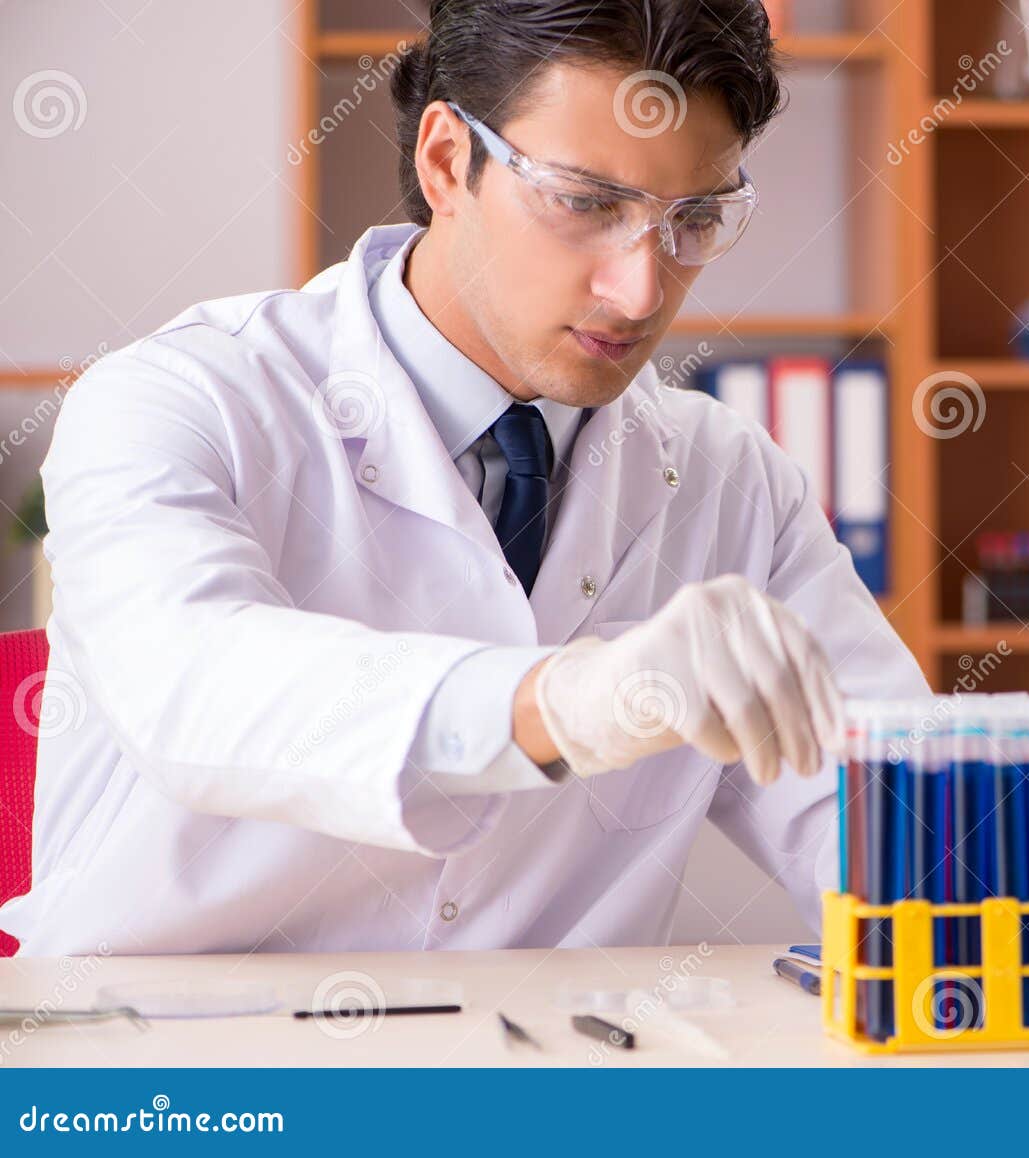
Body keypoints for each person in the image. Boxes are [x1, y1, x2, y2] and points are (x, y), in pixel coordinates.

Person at [0, 0, 926, 956]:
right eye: (586, 202)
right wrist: (561, 703)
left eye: (693, 219)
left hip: (538, 1084)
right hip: (174, 1074)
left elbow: (894, 834)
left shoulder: (731, 485)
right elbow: (195, 682)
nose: (642, 291)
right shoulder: (184, 398)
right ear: (447, 161)